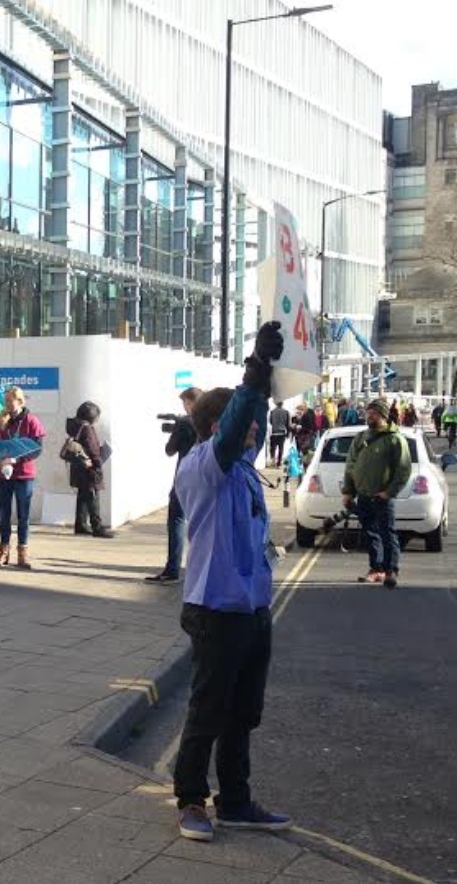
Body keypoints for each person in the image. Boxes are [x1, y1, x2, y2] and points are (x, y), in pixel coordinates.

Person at [170, 319, 290, 843]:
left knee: (242, 714)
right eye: (245, 424)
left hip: (250, 609)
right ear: (220, 425)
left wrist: (263, 388)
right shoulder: (205, 465)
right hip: (216, 609)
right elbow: (244, 408)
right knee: (208, 710)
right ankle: (191, 800)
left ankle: (236, 802)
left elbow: (251, 412)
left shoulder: (240, 467)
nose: (256, 431)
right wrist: (257, 368)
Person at [341, 399, 412, 588]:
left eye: (373, 413)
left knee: (387, 534)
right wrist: (348, 492)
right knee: (370, 534)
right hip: (363, 495)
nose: (368, 416)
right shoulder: (360, 438)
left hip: (383, 497)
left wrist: (389, 493)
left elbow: (403, 470)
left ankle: (391, 571)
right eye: (367, 412)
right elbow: (350, 466)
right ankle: (376, 568)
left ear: (383, 416)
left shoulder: (395, 439)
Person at [148, 388, 201, 583]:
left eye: (184, 403)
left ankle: (172, 571)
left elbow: (169, 450)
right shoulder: (212, 420)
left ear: (190, 403)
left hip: (184, 478)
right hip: (206, 477)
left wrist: (178, 429)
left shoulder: (184, 422)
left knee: (177, 521)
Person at [0, 385, 45, 569]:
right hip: (3, 473)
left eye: (8, 401)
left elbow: (37, 449)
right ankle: (3, 552)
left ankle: (22, 553)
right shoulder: (0, 420)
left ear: (20, 401)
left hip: (24, 474)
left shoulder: (31, 421)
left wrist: (16, 458)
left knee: (23, 515)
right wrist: (0, 458)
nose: (5, 404)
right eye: (4, 401)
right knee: (4, 514)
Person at [65, 401, 114, 538]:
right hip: (89, 468)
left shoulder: (74, 426)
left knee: (83, 497)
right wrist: (99, 461)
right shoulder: (86, 428)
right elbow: (93, 448)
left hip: (78, 466)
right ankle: (97, 527)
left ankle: (80, 525)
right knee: (93, 496)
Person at [266, 400, 290, 467]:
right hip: (282, 432)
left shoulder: (272, 412)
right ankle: (279, 463)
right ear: (282, 404)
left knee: (273, 447)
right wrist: (288, 433)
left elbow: (270, 421)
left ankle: (273, 460)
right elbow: (288, 424)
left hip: (274, 432)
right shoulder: (286, 412)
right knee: (281, 448)